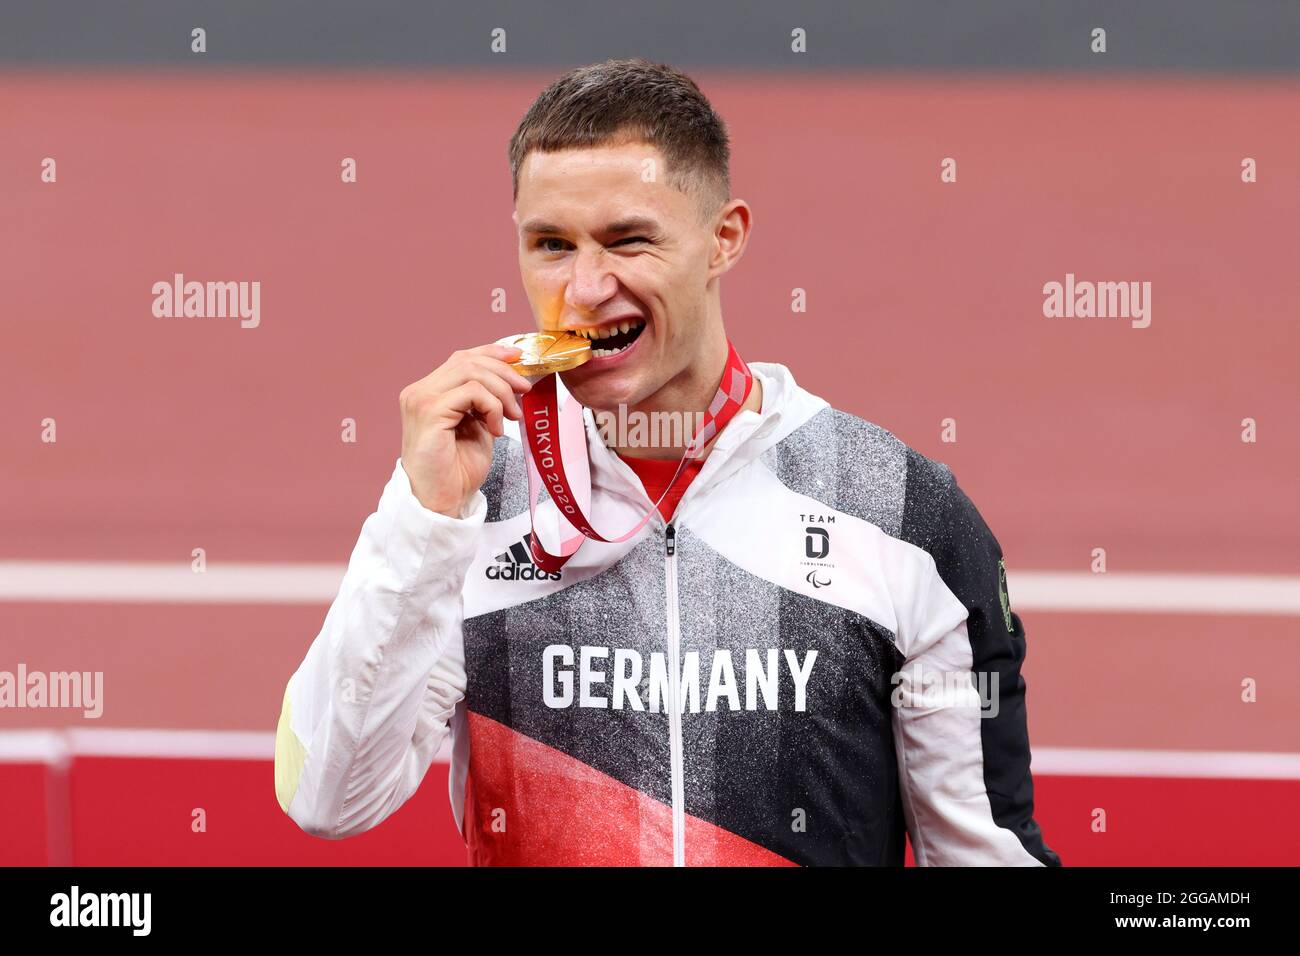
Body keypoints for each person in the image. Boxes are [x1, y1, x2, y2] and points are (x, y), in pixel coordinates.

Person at [273, 57, 1060, 867]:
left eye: (628, 241)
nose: (582, 288)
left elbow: (983, 854)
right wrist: (421, 518)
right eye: (551, 244)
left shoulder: (897, 510)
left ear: (723, 240)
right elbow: (327, 799)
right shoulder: (471, 499)